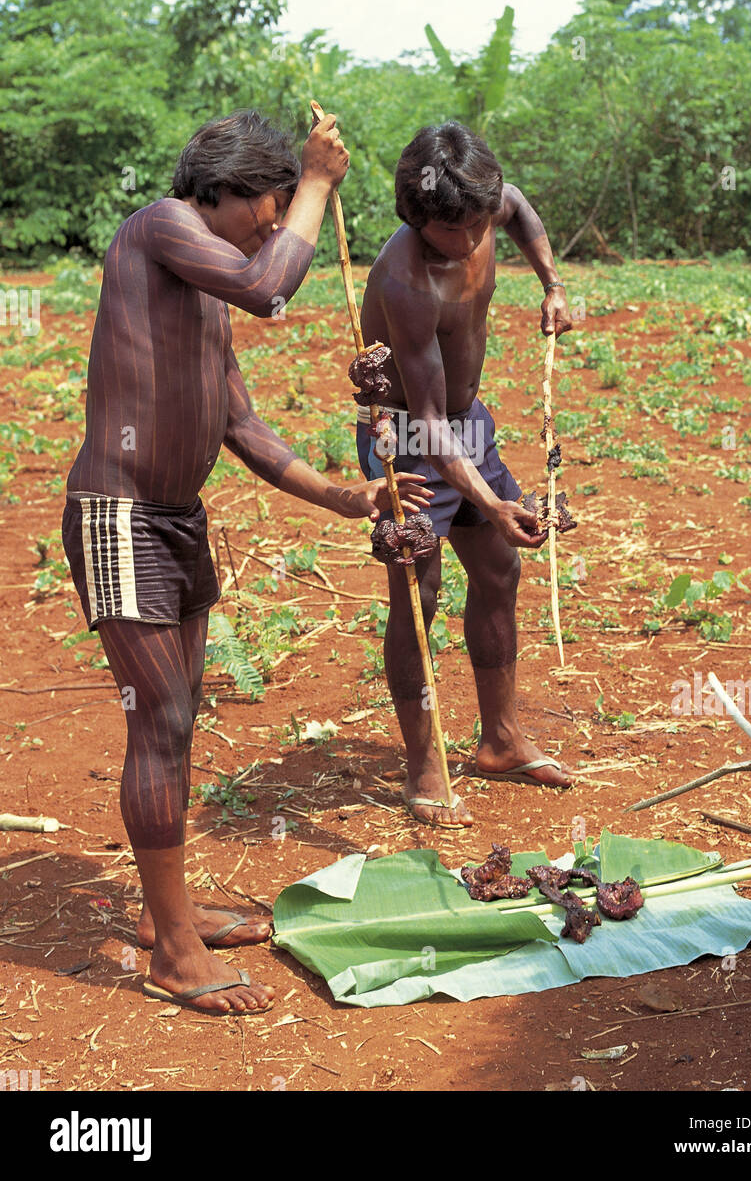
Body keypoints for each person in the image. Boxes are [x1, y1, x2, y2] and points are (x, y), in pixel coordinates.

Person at [62, 109, 431, 1014]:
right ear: (221, 189)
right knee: (160, 718)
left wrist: (344, 496)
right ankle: (172, 952)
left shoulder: (200, 291)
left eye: (283, 206)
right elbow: (270, 291)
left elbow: (242, 426)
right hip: (118, 516)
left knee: (178, 720)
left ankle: (167, 913)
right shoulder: (160, 225)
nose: (273, 225)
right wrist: (317, 182)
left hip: (175, 520)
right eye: (268, 205)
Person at [357, 121, 577, 828]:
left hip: (468, 424)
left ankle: (500, 740)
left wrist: (552, 285)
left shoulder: (483, 203)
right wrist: (493, 500)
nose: (473, 239)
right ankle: (424, 762)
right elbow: (425, 421)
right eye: (455, 230)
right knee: (417, 596)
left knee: (499, 570)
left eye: (480, 222)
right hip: (410, 440)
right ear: (418, 216)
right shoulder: (405, 281)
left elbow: (519, 210)